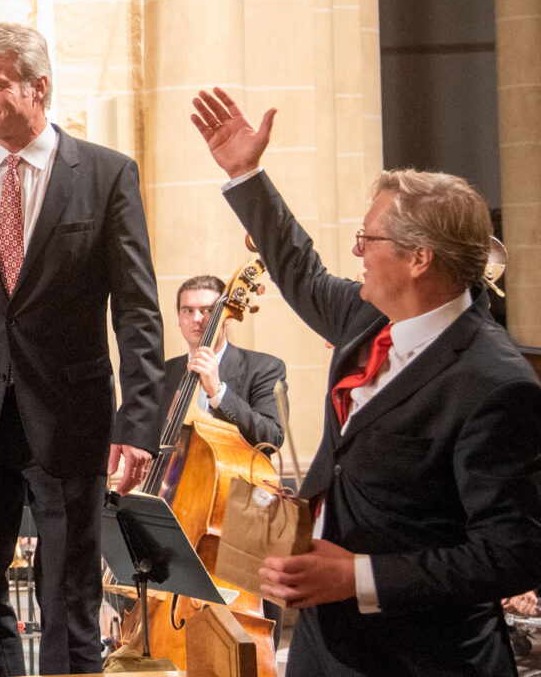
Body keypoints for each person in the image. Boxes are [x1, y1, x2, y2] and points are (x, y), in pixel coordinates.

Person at [190, 86, 541, 675]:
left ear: (419, 257)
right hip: (324, 645)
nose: (356, 250)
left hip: (423, 656)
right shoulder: (369, 314)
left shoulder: (493, 381)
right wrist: (246, 174)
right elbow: (298, 268)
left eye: (368, 238)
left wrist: (356, 577)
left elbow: (513, 554)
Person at [0, 22, 165, 676]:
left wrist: (138, 427)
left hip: (71, 417)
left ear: (39, 86)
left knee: (68, 596)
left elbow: (137, 313)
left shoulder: (106, 175)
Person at [161, 274, 287, 449]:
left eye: (208, 310)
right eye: (188, 310)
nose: (197, 319)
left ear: (227, 318)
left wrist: (219, 393)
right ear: (179, 319)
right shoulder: (164, 373)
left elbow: (271, 438)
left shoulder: (264, 368)